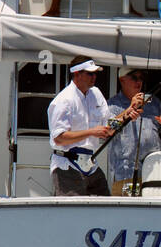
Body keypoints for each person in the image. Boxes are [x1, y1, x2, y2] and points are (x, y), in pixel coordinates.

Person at [47, 57, 132, 196]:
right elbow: (59, 138)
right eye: (90, 73)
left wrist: (127, 113)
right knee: (73, 208)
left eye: (95, 73)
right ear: (77, 74)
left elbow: (109, 129)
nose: (94, 77)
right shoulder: (64, 100)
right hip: (67, 166)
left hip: (91, 165)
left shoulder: (96, 93)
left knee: (105, 205)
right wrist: (91, 132)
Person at [106, 68, 161, 196]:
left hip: (155, 171)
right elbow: (108, 130)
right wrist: (129, 109)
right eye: (134, 77)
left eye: (141, 78)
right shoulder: (112, 105)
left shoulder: (153, 102)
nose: (139, 81)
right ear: (122, 79)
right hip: (126, 173)